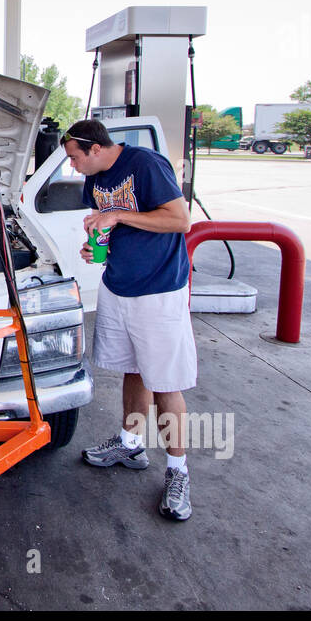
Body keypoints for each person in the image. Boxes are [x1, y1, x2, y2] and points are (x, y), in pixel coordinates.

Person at [60, 118, 197, 521]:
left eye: (73, 158)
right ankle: (130, 443)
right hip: (119, 284)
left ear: (95, 148)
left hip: (158, 291)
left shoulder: (146, 164)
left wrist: (118, 217)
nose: (71, 166)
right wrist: (94, 246)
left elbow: (179, 220)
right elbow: (106, 224)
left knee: (166, 382)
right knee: (134, 371)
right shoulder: (95, 178)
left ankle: (178, 472)